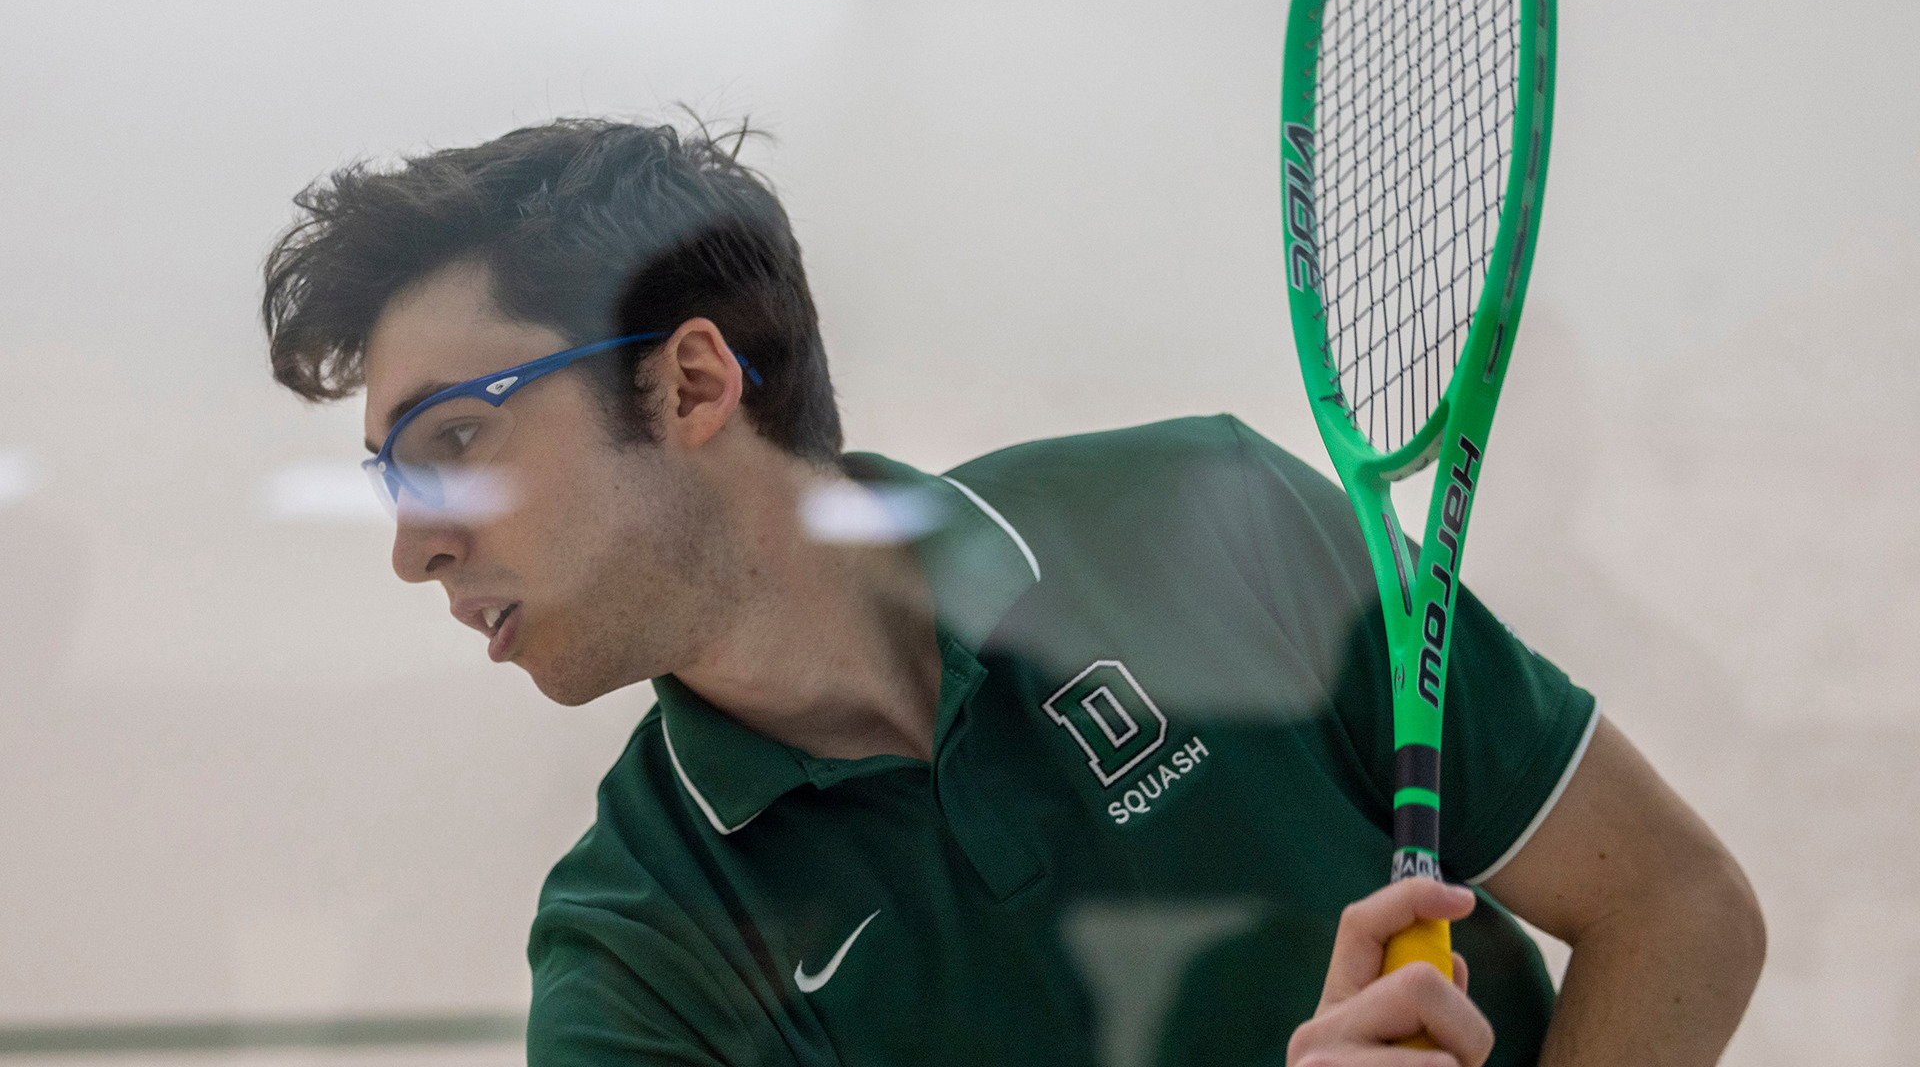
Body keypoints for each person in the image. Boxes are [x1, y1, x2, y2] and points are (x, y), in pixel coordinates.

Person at [261, 119, 1764, 1066]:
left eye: (452, 442)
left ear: (693, 381)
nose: (417, 546)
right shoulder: (638, 961)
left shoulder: (1203, 512)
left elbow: (1682, 914)